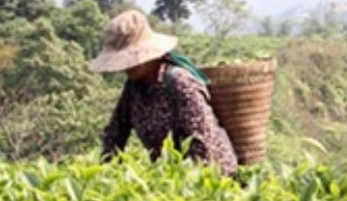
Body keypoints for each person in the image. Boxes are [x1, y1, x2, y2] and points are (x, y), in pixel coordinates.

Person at [90, 9, 238, 174]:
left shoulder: (179, 82)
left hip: (211, 177)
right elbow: (116, 131)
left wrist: (191, 185)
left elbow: (201, 142)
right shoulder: (134, 86)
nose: (125, 67)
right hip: (168, 174)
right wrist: (105, 171)